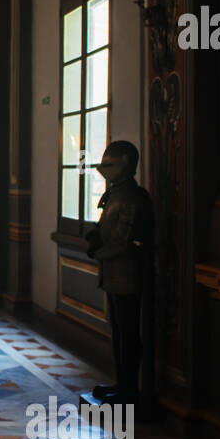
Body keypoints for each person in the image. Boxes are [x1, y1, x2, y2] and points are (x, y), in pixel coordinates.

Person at [85, 141, 153, 405]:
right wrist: (94, 236)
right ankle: (121, 383)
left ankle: (129, 389)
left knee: (129, 333)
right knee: (118, 332)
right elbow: (105, 226)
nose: (104, 169)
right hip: (114, 273)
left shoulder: (134, 197)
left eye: (110, 164)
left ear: (126, 164)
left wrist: (97, 253)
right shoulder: (115, 193)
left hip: (127, 273)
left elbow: (124, 241)